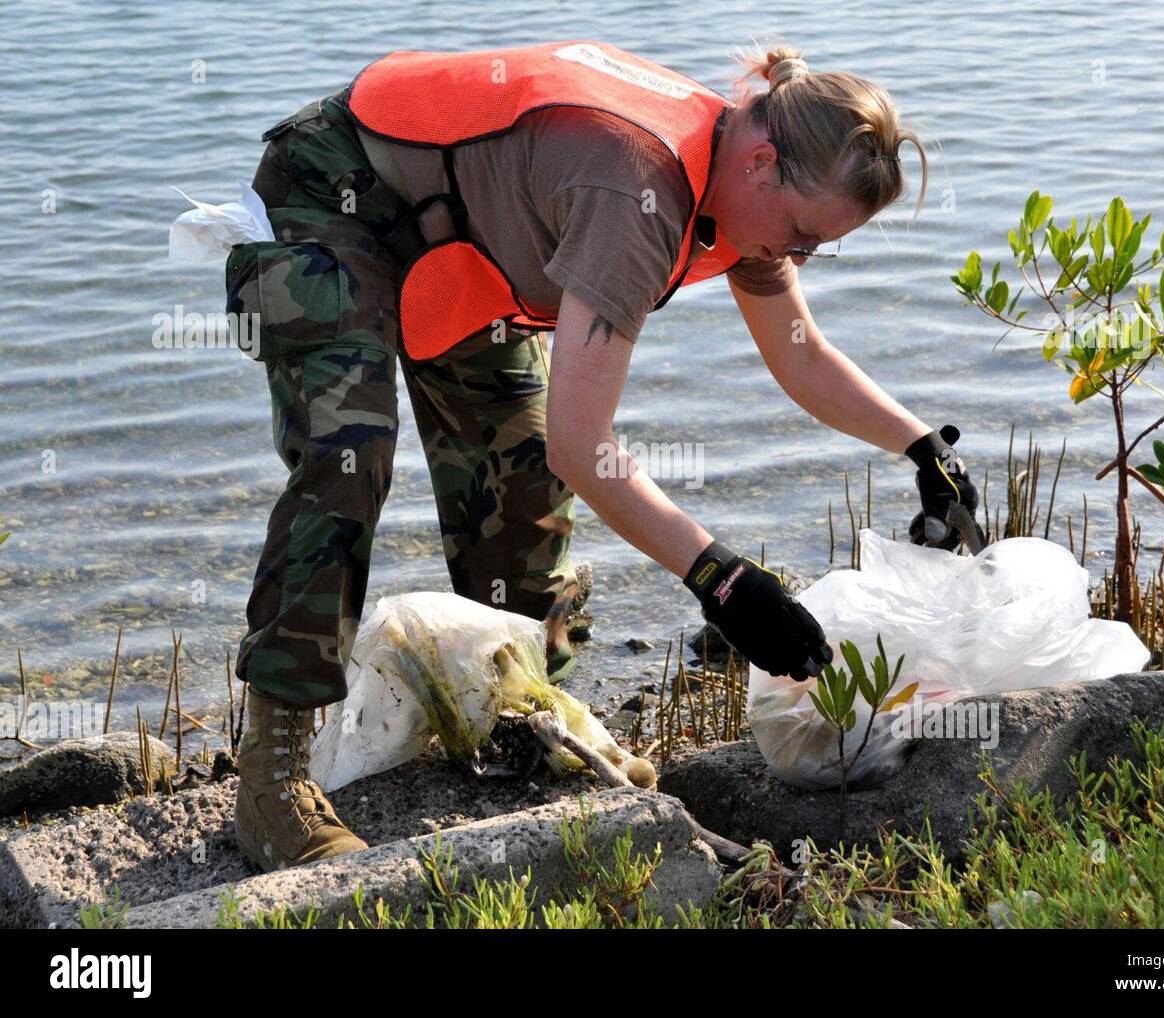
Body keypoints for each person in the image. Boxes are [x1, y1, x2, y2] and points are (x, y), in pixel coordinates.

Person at [225, 39, 980, 873]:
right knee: (349, 451)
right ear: (762, 163)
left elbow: (801, 356)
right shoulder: (638, 193)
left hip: (462, 244)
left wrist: (921, 448)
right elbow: (585, 447)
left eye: (816, 248)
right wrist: (722, 581)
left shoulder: (745, 189)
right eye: (801, 235)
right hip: (331, 188)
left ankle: (510, 717)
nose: (794, 258)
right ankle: (272, 781)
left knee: (521, 498)